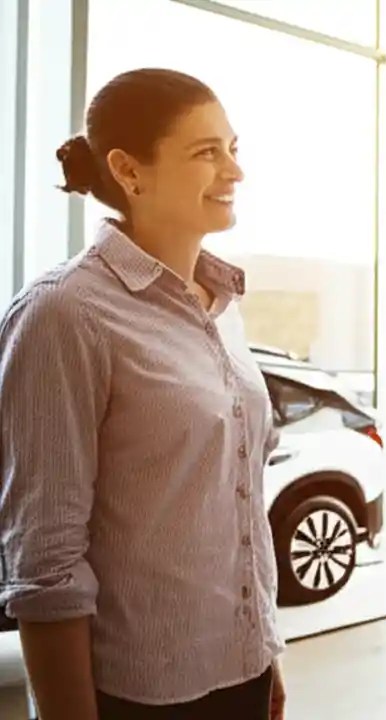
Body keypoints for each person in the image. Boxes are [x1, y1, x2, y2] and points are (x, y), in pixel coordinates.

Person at [0, 68, 286, 720]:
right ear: (130, 172)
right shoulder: (64, 314)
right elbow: (44, 561)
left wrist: (264, 654)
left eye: (233, 148)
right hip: (136, 696)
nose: (234, 171)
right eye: (207, 152)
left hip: (240, 671)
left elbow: (237, 502)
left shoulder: (221, 305)